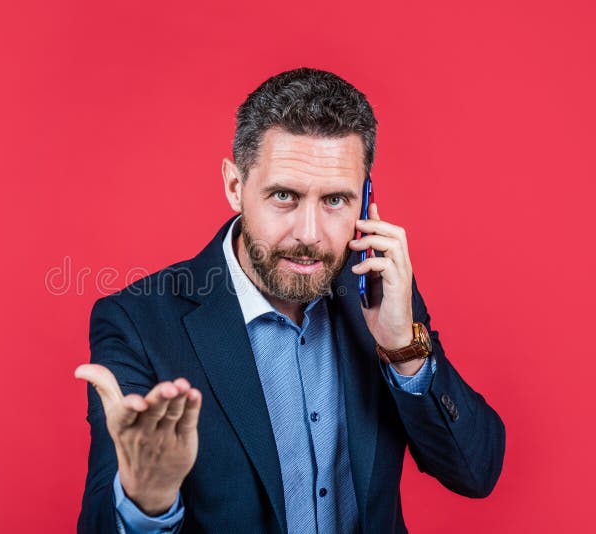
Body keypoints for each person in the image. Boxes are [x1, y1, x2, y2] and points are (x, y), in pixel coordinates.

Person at [75, 67, 505, 533]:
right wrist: (147, 499)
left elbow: (475, 472)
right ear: (235, 186)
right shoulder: (139, 323)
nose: (309, 235)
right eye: (284, 195)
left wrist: (403, 349)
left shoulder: (379, 293)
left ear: (365, 200)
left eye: (335, 201)